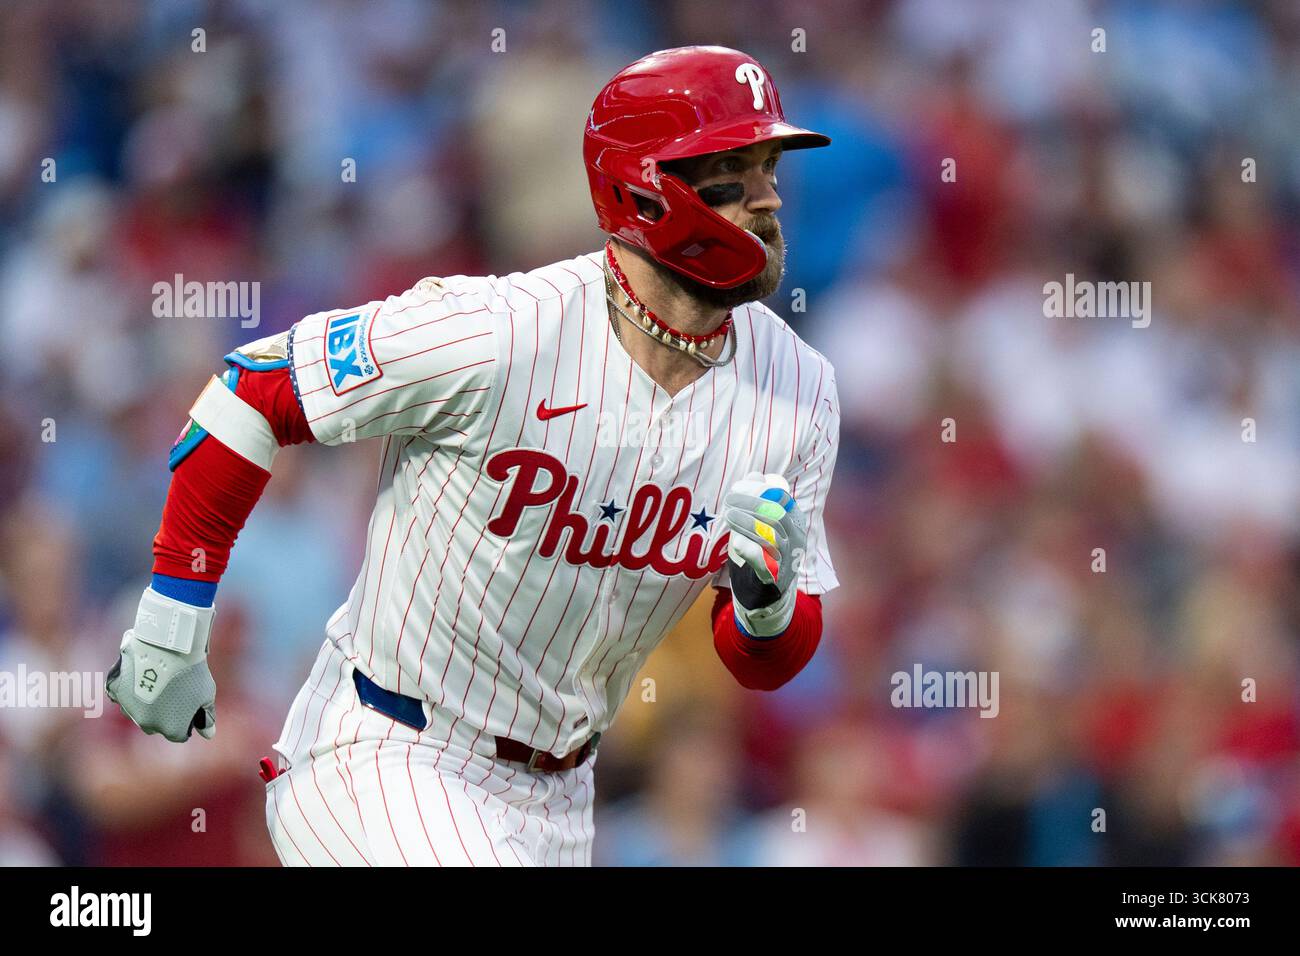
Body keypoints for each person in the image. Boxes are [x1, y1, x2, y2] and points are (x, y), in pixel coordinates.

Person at [105, 45, 841, 866]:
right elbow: (252, 392)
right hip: (388, 747)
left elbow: (768, 661)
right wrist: (171, 623)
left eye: (770, 167)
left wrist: (766, 603)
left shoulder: (798, 390)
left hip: (563, 794)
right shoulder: (496, 331)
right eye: (734, 171)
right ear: (646, 184)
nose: (769, 198)